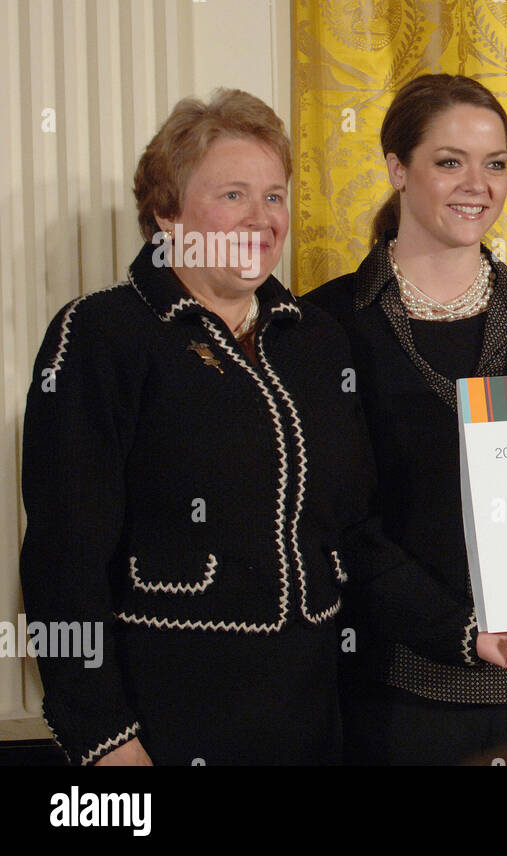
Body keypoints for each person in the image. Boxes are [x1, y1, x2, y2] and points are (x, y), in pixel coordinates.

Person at [19, 90, 378, 764]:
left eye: (275, 197)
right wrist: (103, 738)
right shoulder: (101, 334)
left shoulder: (319, 341)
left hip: (312, 720)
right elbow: (63, 560)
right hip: (163, 725)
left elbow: (352, 530)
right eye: (234, 195)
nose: (263, 218)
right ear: (167, 212)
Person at [306, 74, 507, 765]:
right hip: (399, 703)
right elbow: (338, 525)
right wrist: (463, 630)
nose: (479, 184)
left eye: (495, 163)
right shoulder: (325, 325)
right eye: (450, 162)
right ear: (396, 170)